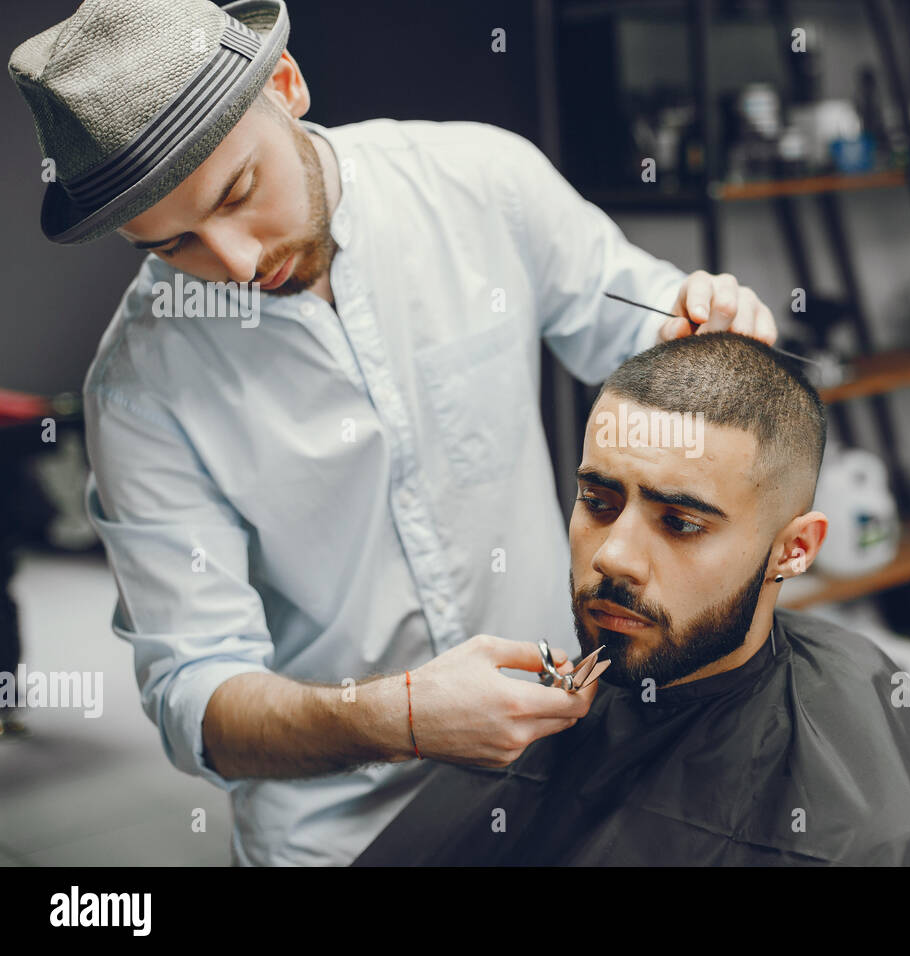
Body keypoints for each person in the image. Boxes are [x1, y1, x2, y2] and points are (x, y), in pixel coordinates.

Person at [8, 0, 778, 865]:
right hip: (341, 836)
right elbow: (199, 700)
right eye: (173, 244)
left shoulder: (484, 183)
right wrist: (403, 718)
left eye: (239, 192)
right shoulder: (139, 391)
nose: (233, 263)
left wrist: (707, 324)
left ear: (287, 85)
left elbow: (642, 330)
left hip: (569, 772)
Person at [355, 333, 910, 865]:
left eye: (680, 521)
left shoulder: (879, 837)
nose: (615, 556)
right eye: (598, 501)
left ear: (796, 549)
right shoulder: (525, 730)